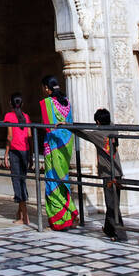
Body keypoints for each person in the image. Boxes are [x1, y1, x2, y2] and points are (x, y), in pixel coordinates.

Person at [75, 108, 126, 241]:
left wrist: (67, 126)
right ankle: (108, 229)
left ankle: (120, 234)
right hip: (118, 171)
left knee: (111, 204)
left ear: (97, 122)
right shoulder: (114, 129)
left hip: (108, 174)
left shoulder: (97, 134)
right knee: (114, 202)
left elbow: (82, 133)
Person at [38, 75, 79, 230]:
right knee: (63, 177)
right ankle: (69, 214)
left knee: (52, 180)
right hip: (66, 144)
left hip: (53, 146)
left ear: (47, 88)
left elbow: (47, 126)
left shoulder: (47, 103)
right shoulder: (67, 101)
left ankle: (59, 220)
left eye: (43, 87)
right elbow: (69, 123)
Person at [2, 92, 32, 225]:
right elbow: (30, 135)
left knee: (17, 180)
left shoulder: (9, 116)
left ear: (10, 103)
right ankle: (21, 212)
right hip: (25, 151)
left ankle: (24, 216)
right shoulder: (26, 117)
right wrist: (31, 154)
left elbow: (9, 136)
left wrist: (6, 153)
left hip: (15, 150)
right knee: (22, 180)